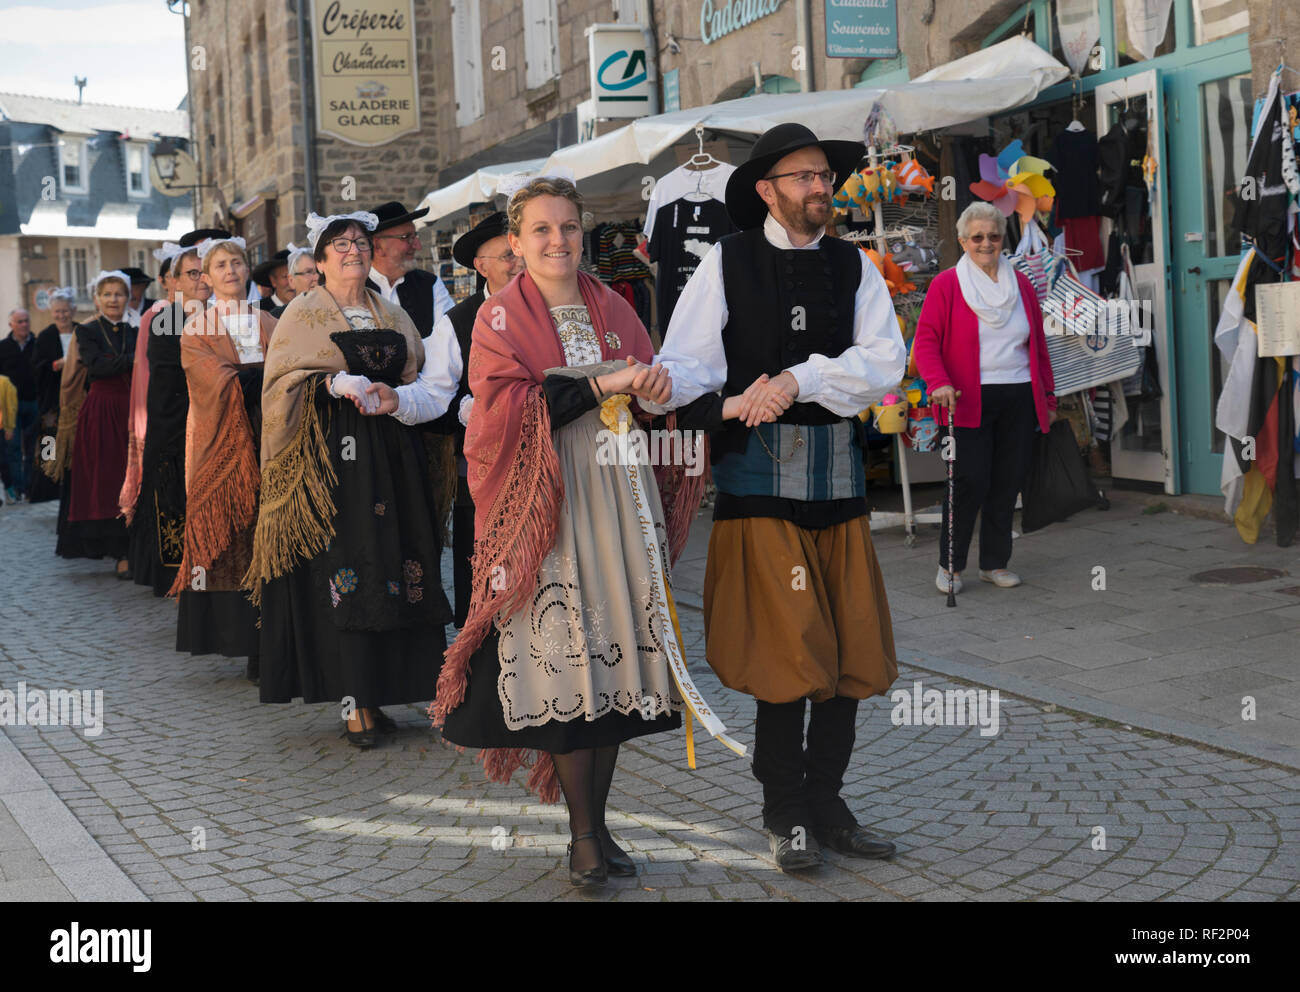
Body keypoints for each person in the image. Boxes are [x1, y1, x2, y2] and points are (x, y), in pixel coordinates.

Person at [432, 176, 726, 889]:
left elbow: (656, 387)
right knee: (567, 665)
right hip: (548, 507)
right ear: (516, 240)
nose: (558, 240)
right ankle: (585, 836)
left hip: (620, 498)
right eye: (541, 230)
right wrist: (599, 386)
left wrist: (653, 390)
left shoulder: (616, 306)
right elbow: (496, 414)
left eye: (568, 227)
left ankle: (595, 824)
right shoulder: (497, 318)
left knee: (613, 663)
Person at [644, 123, 908, 871]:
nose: (820, 187)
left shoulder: (854, 266)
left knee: (851, 653)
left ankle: (828, 804)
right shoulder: (724, 263)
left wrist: (804, 379)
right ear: (766, 189)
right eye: (803, 177)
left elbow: (885, 362)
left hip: (840, 484)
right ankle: (785, 812)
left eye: (824, 175)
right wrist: (735, 398)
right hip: (759, 488)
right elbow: (686, 370)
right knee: (787, 657)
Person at [246, 210, 453, 747]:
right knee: (351, 567)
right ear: (318, 261)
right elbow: (279, 387)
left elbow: (417, 376)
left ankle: (387, 691)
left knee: (400, 562)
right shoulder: (302, 314)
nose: (352, 250)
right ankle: (353, 700)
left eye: (360, 242)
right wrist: (331, 384)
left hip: (393, 455)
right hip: (334, 463)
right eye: (339, 244)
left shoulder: (393, 312)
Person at [912, 201, 1057, 593]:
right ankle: (950, 565)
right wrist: (937, 382)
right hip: (964, 399)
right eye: (977, 237)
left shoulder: (1021, 285)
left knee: (1007, 482)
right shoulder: (947, 285)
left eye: (993, 236)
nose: (986, 243)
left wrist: (1048, 396)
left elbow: (1038, 346)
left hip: (1018, 398)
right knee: (968, 481)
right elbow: (925, 342)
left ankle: (994, 563)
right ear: (963, 241)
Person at [170, 236, 273, 679]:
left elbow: (293, 367)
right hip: (225, 437)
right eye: (220, 266)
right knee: (238, 533)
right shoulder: (197, 327)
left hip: (273, 436)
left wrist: (268, 380)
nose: (230, 271)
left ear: (247, 269)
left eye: (237, 262)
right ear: (206, 278)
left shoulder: (272, 321)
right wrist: (256, 380)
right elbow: (207, 378)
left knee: (272, 528)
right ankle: (242, 639)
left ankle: (274, 640)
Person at [425, 210, 520, 625]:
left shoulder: (553, 305)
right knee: (477, 565)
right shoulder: (456, 322)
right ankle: (477, 662)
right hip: (479, 468)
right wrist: (468, 408)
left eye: (519, 253)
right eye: (506, 256)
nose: (517, 263)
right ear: (480, 266)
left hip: (549, 463)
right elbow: (435, 399)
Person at [122, 231, 221, 596]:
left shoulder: (218, 314)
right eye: (191, 273)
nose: (200, 279)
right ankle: (176, 575)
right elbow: (175, 377)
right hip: (175, 425)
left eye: (203, 272)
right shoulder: (167, 318)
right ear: (173, 282)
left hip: (208, 425)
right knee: (173, 504)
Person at [66, 271, 135, 573]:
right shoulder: (86, 329)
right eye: (106, 294)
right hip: (102, 409)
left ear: (127, 297)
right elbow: (96, 366)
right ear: (96, 299)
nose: (112, 300)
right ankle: (117, 549)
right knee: (109, 477)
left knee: (134, 477)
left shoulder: (138, 326)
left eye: (118, 294)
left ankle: (135, 547)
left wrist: (121, 361)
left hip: (134, 406)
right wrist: (131, 360)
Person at [364, 200, 454, 334]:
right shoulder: (354, 288)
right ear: (378, 246)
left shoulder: (430, 285)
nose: (418, 245)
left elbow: (448, 339)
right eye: (407, 237)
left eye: (415, 236)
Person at [28, 289, 74, 504]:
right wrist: (56, 365)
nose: (62, 315)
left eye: (65, 311)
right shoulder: (46, 336)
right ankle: (48, 487)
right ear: (51, 312)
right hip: (52, 400)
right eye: (57, 312)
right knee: (49, 442)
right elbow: (37, 367)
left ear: (73, 311)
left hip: (77, 398)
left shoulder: (81, 332)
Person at [0, 308, 38, 501]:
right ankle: (17, 489)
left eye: (26, 321)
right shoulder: (3, 347)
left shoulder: (38, 344)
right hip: (10, 408)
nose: (24, 325)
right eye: (20, 322)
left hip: (35, 403)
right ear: (11, 325)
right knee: (13, 449)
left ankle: (33, 488)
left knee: (36, 448)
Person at [251, 249, 293, 313]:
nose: (292, 282)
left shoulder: (309, 305)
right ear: (273, 280)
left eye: (295, 275)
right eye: (285, 277)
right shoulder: (255, 309)